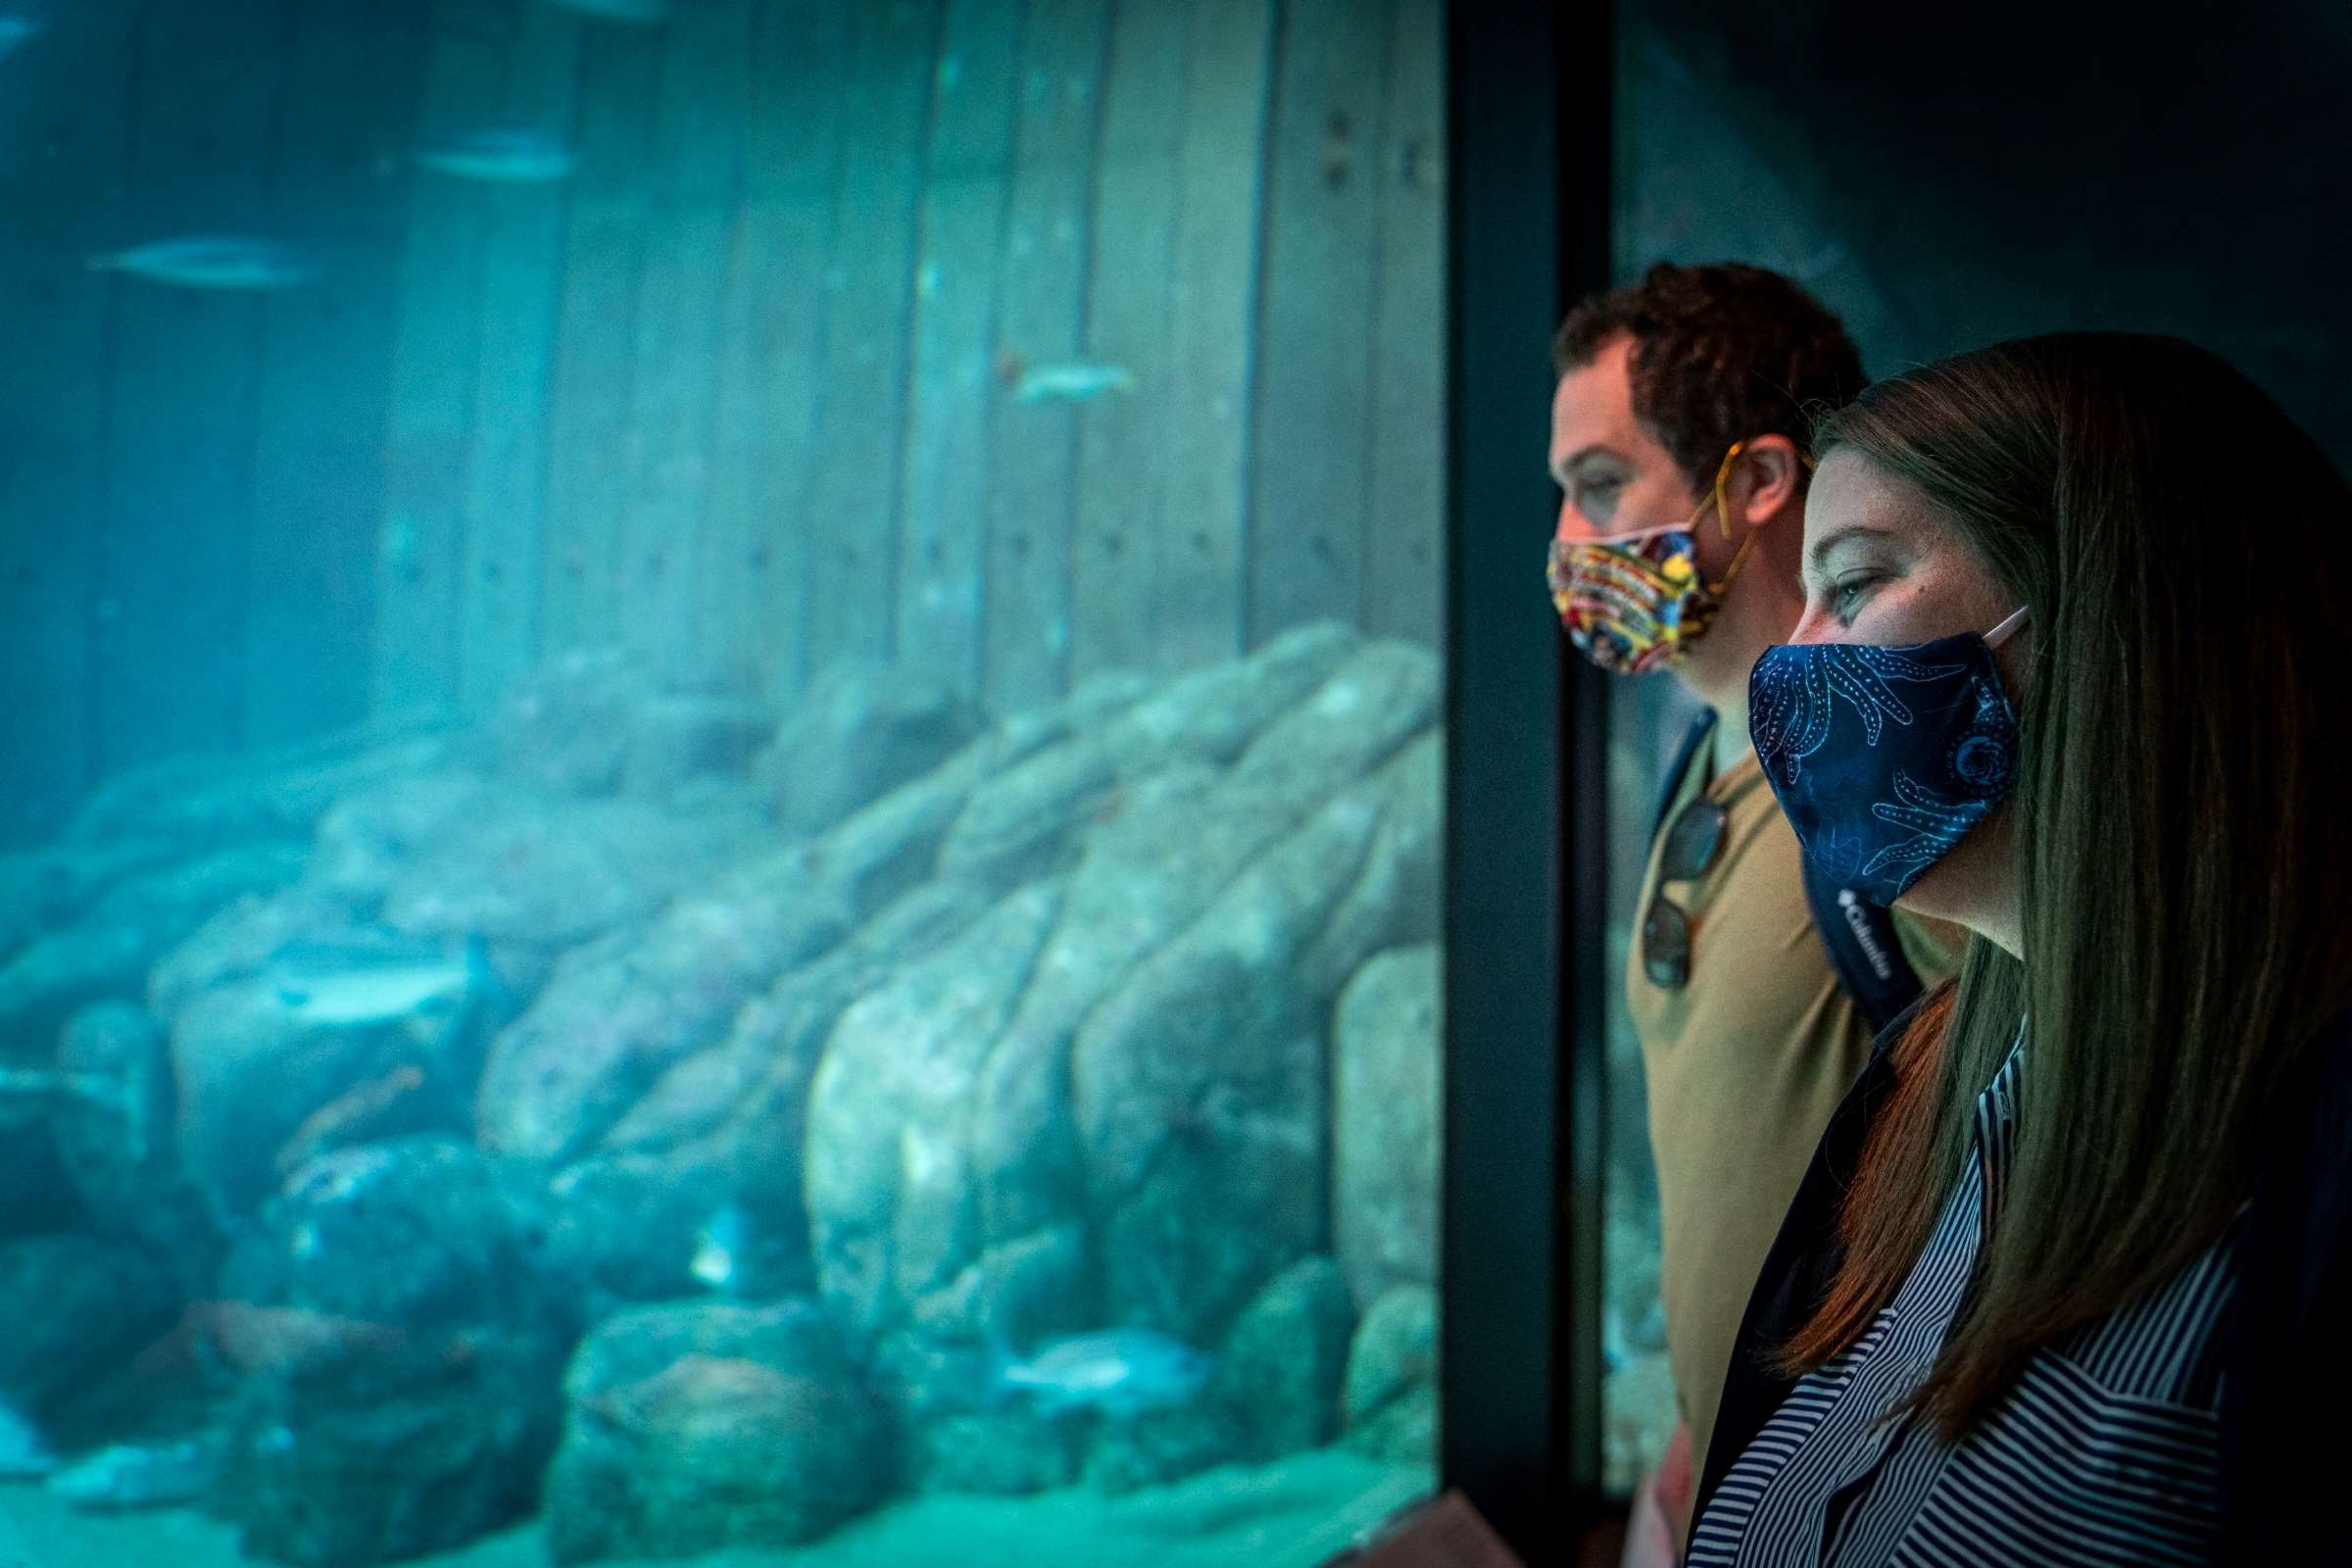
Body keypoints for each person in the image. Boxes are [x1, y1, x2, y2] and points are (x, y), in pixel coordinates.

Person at [1689, 330, 2352, 1562]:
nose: (1794, 659)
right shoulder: (1923, 1091)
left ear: (2111, 613)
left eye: (1853, 582)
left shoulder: (2307, 1163)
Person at [1544, 262, 1964, 1550]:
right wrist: (1698, 1428)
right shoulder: (1701, 754)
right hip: (1725, 1482)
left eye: (1599, 485)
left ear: (1760, 480)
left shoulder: (1888, 789)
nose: (1567, 540)